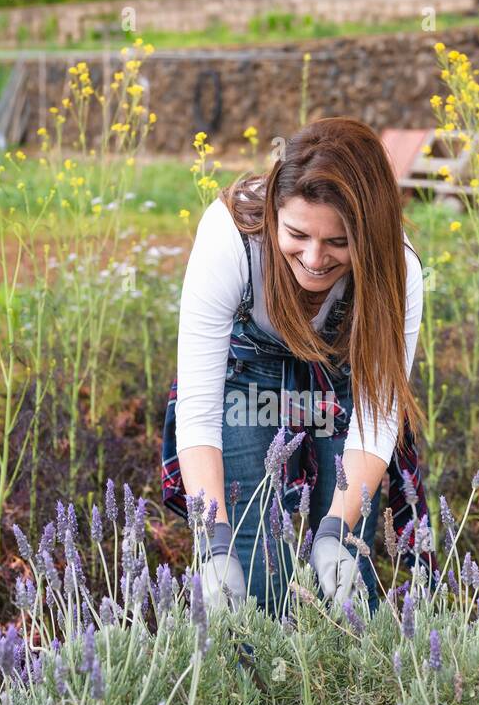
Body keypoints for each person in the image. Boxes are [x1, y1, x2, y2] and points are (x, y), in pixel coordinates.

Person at [161, 116, 431, 618]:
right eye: (298, 234)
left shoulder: (399, 268)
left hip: (341, 384)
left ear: (368, 236)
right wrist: (214, 541)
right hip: (246, 383)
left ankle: (350, 690)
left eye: (338, 243)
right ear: (273, 213)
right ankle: (254, 691)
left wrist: (335, 530)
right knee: (253, 573)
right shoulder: (229, 237)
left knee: (345, 570)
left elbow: (377, 421)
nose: (313, 257)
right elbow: (198, 416)